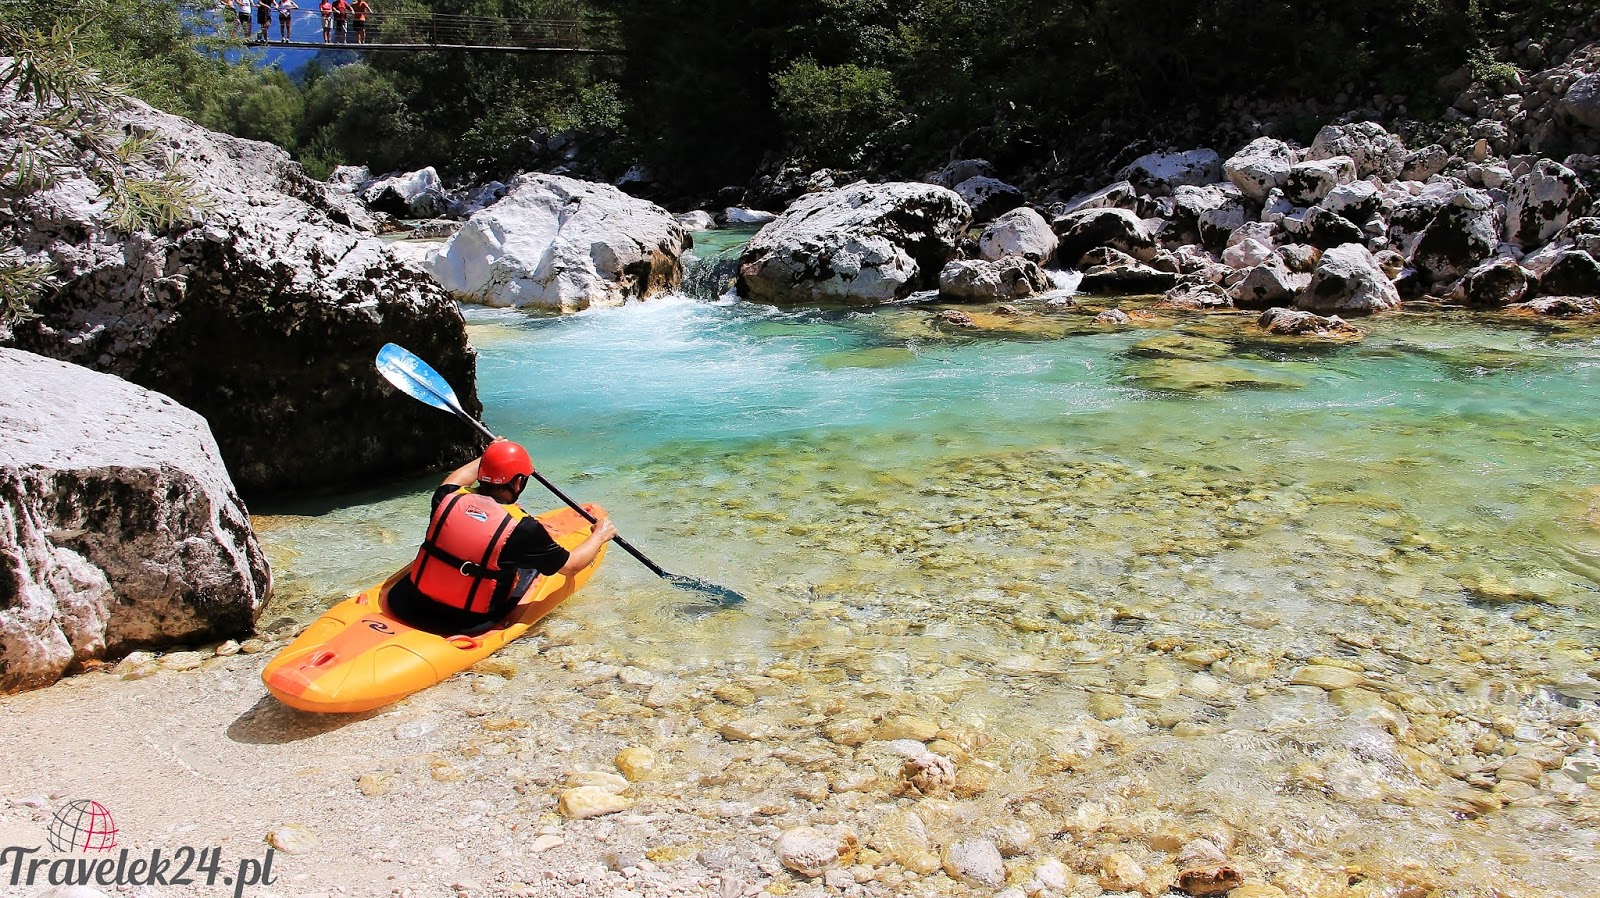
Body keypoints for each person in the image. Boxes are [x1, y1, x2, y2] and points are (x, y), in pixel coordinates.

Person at [386, 439, 617, 636]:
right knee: (529, 567)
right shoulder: (522, 529)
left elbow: (456, 478)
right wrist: (599, 535)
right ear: (518, 482)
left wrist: (489, 454)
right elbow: (571, 566)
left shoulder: (445, 499)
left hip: (413, 601)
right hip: (464, 619)